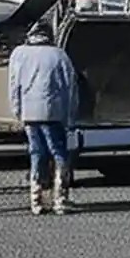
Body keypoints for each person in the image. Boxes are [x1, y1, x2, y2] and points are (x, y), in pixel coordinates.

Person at [8, 22, 79, 216]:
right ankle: (59, 199)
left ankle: (35, 200)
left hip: (28, 112)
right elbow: (70, 87)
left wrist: (16, 109)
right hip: (52, 112)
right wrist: (71, 115)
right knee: (59, 153)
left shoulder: (19, 54)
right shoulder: (58, 55)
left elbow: (14, 85)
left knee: (36, 153)